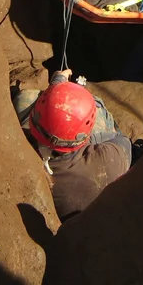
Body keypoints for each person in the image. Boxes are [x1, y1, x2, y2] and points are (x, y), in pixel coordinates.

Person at [15, 70, 132, 221]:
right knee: (95, 104)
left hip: (44, 138)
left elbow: (49, 120)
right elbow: (121, 139)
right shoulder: (111, 157)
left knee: (25, 98)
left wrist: (57, 85)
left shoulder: (33, 157)